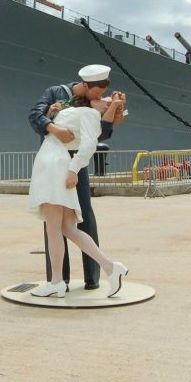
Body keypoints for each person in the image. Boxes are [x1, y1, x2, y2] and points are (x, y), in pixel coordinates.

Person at [27, 64, 125, 290]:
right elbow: (35, 115)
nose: (101, 97)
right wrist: (54, 128)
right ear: (85, 86)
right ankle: (62, 278)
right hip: (60, 160)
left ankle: (91, 277)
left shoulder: (91, 108)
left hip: (72, 164)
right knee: (59, 226)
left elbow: (103, 133)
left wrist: (110, 110)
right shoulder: (55, 93)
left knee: (81, 219)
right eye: (98, 94)